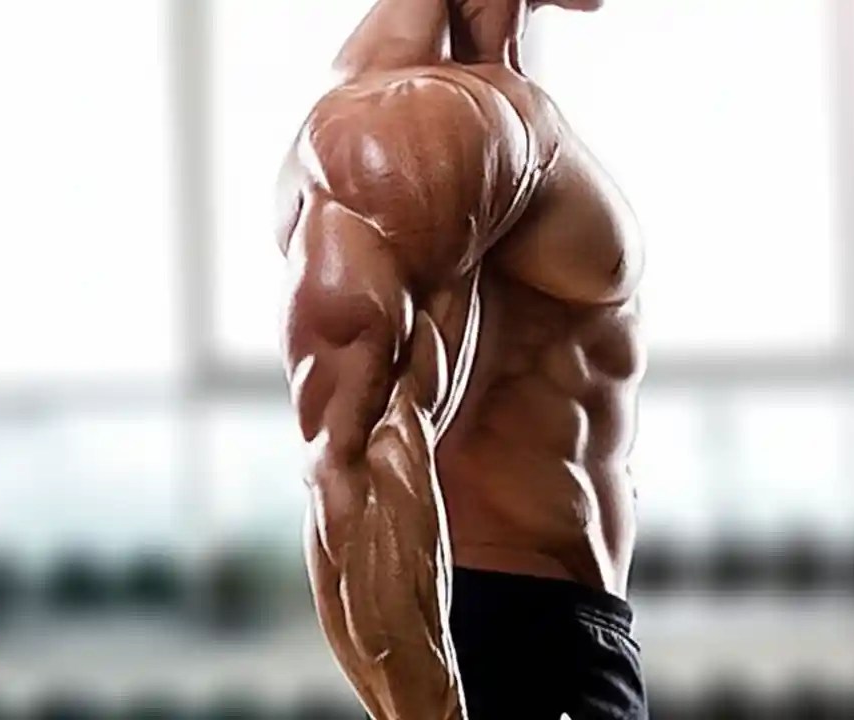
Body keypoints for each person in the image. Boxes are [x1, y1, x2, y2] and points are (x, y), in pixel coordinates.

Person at [275, 0, 646, 717]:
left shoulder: (486, 106)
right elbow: (356, 456)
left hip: (564, 641)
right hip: (513, 645)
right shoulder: (410, 117)